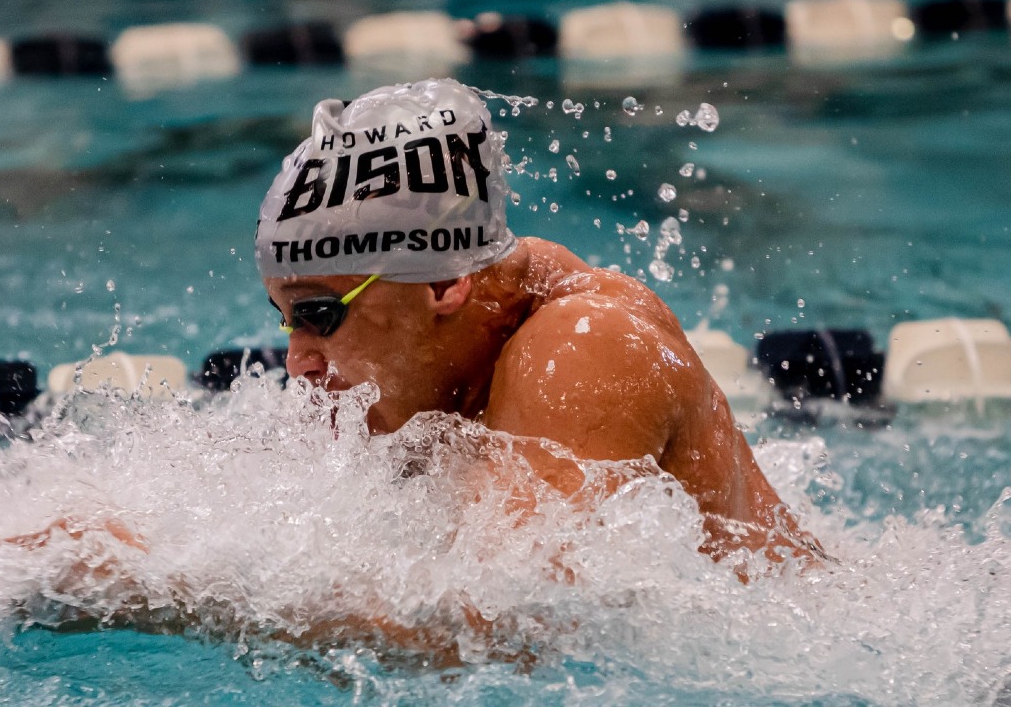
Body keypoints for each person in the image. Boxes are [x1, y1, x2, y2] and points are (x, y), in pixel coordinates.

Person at [258, 78, 816, 561]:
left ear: (443, 284)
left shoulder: (583, 344)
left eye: (318, 315)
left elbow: (500, 622)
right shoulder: (458, 350)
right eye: (287, 320)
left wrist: (199, 593)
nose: (297, 361)